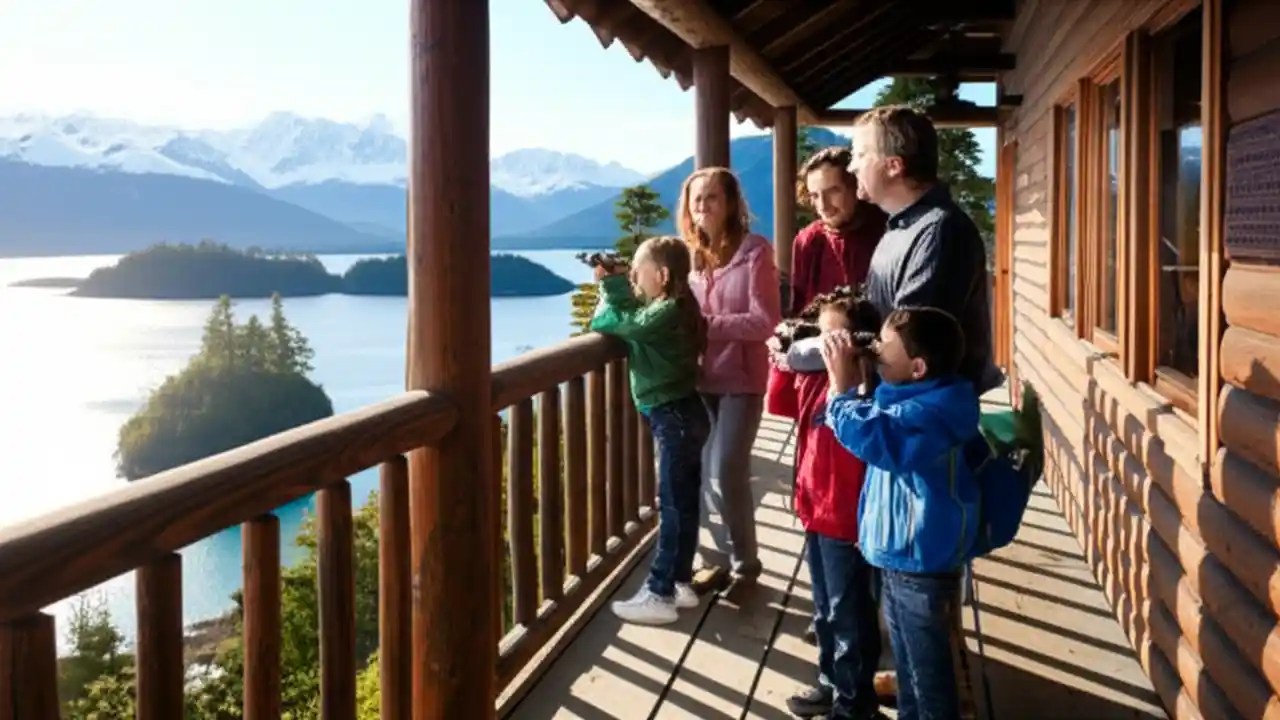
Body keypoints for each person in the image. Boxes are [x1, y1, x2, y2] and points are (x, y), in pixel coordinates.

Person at [821, 307, 982, 720]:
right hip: (904, 559)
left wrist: (841, 389)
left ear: (918, 366)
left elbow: (875, 436)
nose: (874, 351)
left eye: (883, 347)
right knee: (910, 671)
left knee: (927, 682)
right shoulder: (919, 398)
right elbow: (880, 421)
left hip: (920, 565)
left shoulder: (929, 416)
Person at [770, 144, 888, 648]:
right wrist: (786, 336)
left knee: (859, 501)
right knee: (819, 495)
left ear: (855, 187)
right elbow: (802, 310)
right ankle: (836, 618)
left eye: (833, 191)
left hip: (874, 377)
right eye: (815, 195)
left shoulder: (883, 231)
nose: (823, 204)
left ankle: (862, 622)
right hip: (818, 379)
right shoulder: (807, 241)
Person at [765, 288, 885, 720]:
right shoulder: (813, 379)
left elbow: (861, 432)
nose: (824, 346)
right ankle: (831, 683)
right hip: (815, 509)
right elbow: (778, 405)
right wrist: (780, 360)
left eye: (836, 338)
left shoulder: (865, 389)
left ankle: (855, 706)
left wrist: (845, 380)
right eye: (822, 336)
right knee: (825, 610)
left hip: (846, 517)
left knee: (849, 613)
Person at [589, 236, 711, 625]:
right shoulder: (674, 306)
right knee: (685, 502)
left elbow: (610, 322)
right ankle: (680, 582)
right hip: (686, 412)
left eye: (639, 273)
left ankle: (659, 592)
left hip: (672, 415)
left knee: (673, 507)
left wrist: (609, 286)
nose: (636, 281)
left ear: (661, 275)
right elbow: (633, 318)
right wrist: (620, 282)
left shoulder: (666, 312)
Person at [847, 105, 1004, 396]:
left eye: (859, 155)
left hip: (924, 419)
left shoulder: (940, 231)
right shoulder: (903, 225)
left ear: (894, 165)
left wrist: (839, 358)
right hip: (902, 407)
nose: (851, 167)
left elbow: (906, 347)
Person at [679, 166, 782, 589]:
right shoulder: (690, 255)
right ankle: (718, 559)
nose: (702, 206)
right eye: (696, 198)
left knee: (727, 468)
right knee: (700, 470)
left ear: (731, 204)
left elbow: (765, 321)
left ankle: (745, 562)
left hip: (742, 380)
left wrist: (705, 326)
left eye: (711, 198)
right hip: (701, 380)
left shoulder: (755, 252)